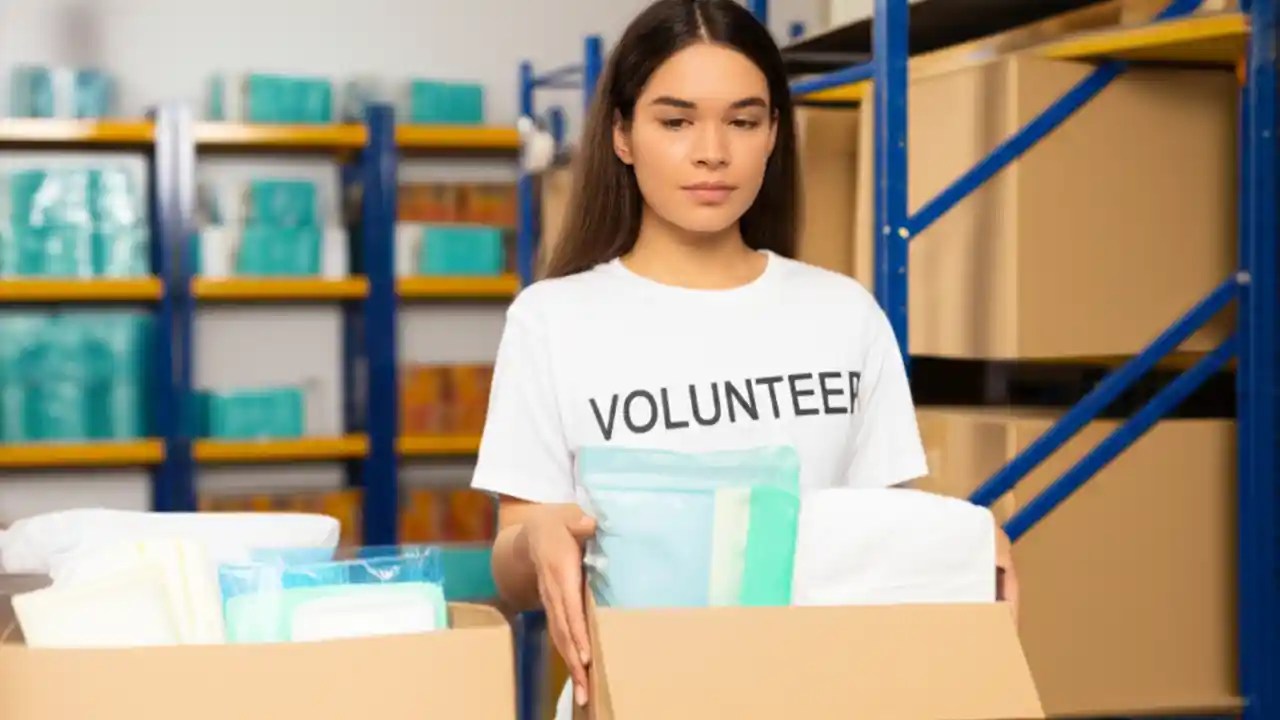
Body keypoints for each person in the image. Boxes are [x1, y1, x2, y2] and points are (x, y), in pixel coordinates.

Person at [471, 0, 1018, 710]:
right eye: (676, 121)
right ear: (623, 135)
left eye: (743, 120)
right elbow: (514, 566)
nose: (712, 151)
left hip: (823, 696)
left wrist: (973, 545)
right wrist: (537, 539)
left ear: (772, 136)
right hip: (639, 699)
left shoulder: (842, 313)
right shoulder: (553, 321)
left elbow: (881, 542)